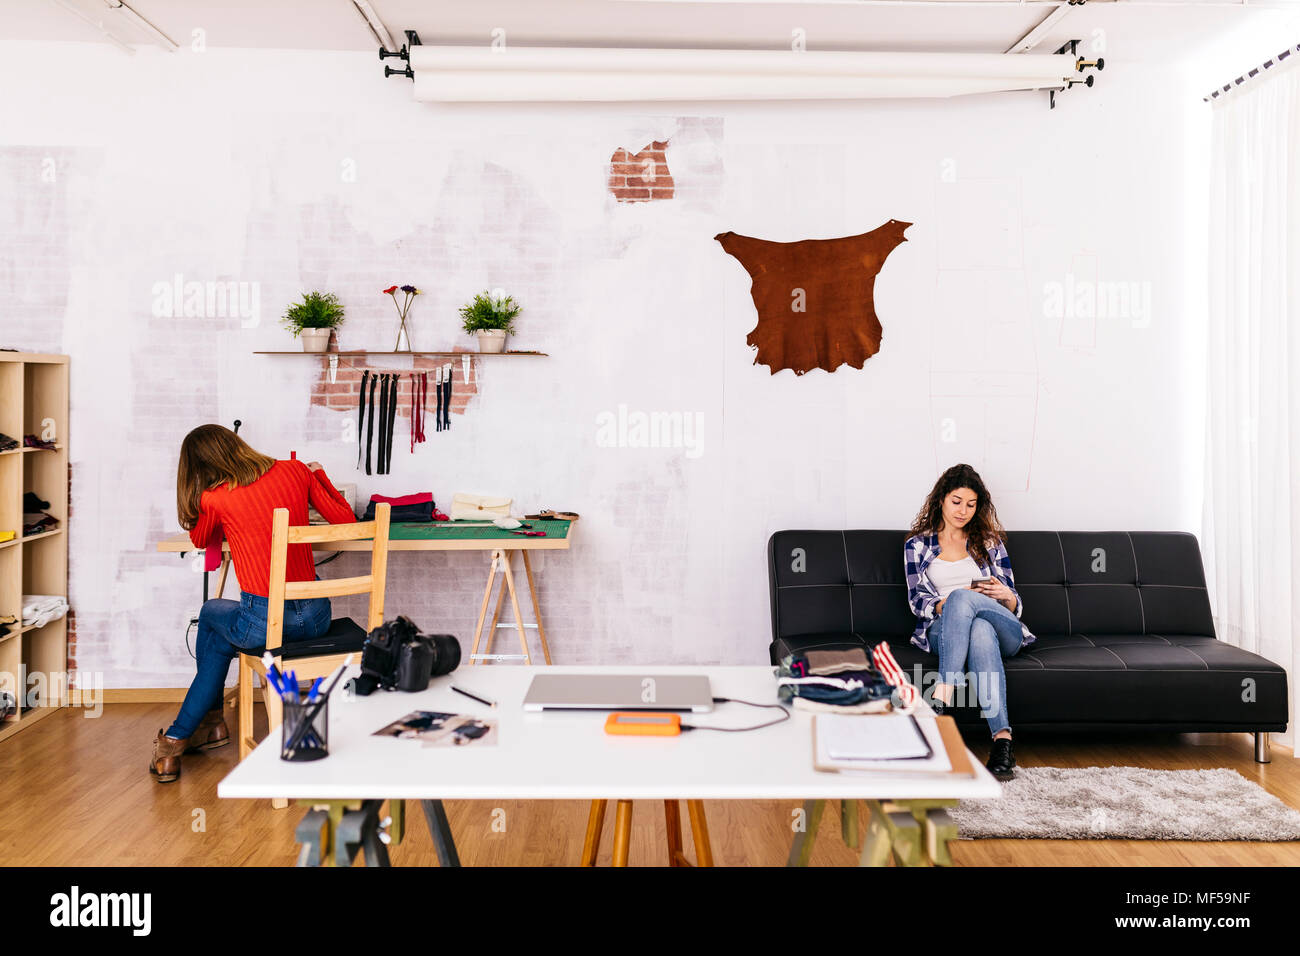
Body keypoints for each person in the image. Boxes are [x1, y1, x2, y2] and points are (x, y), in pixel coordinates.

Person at [151, 425, 357, 783]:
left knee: (210, 613)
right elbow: (345, 521)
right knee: (218, 635)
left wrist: (204, 498)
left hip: (263, 626)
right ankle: (203, 728)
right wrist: (317, 472)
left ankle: (184, 736)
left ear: (199, 467)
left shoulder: (215, 498)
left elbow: (200, 537)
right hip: (318, 617)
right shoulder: (294, 471)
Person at [902, 463, 1035, 780]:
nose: (963, 511)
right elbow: (917, 600)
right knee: (977, 628)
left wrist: (1007, 595)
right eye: (957, 501)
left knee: (967, 601)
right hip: (943, 628)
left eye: (971, 504)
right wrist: (943, 603)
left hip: (1004, 625)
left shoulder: (989, 542)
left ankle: (943, 695)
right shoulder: (917, 545)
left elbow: (1013, 602)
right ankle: (1002, 741)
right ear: (941, 500)